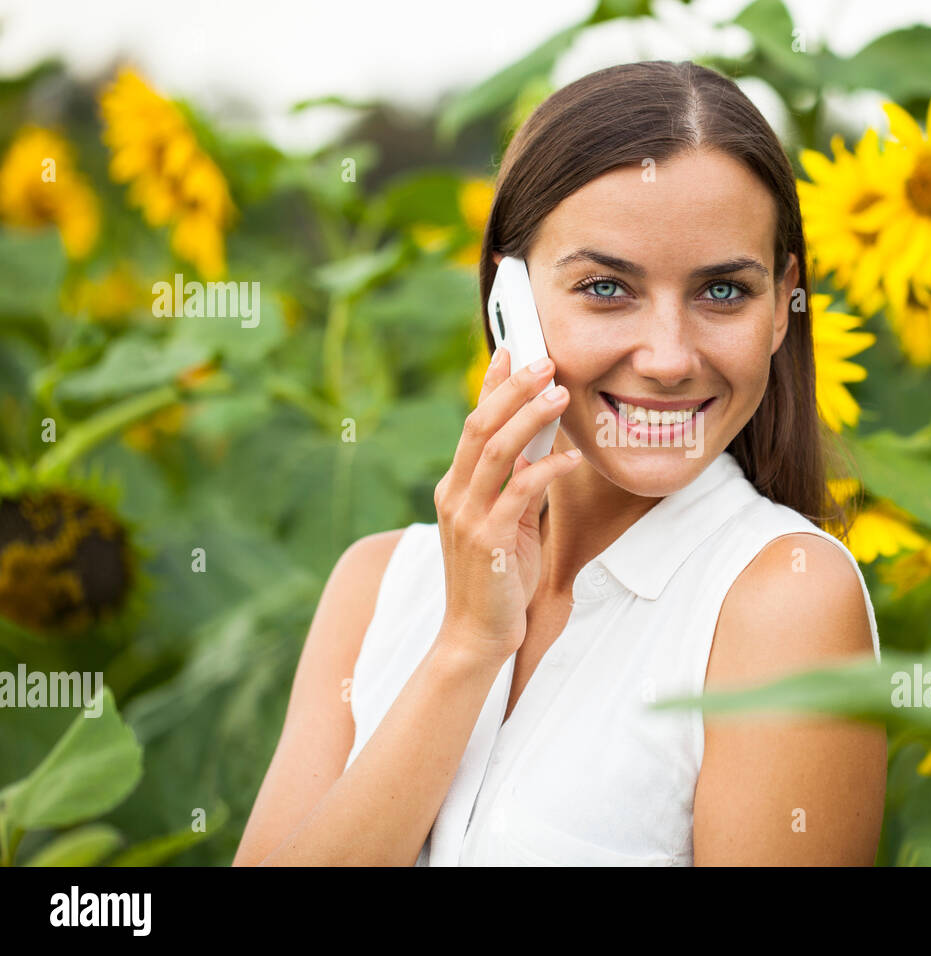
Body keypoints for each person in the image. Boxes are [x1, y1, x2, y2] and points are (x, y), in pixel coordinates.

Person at [234, 59, 886, 867]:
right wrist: (468, 645)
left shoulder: (784, 604)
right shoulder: (375, 587)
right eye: (608, 288)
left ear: (784, 306)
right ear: (509, 300)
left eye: (723, 292)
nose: (669, 357)